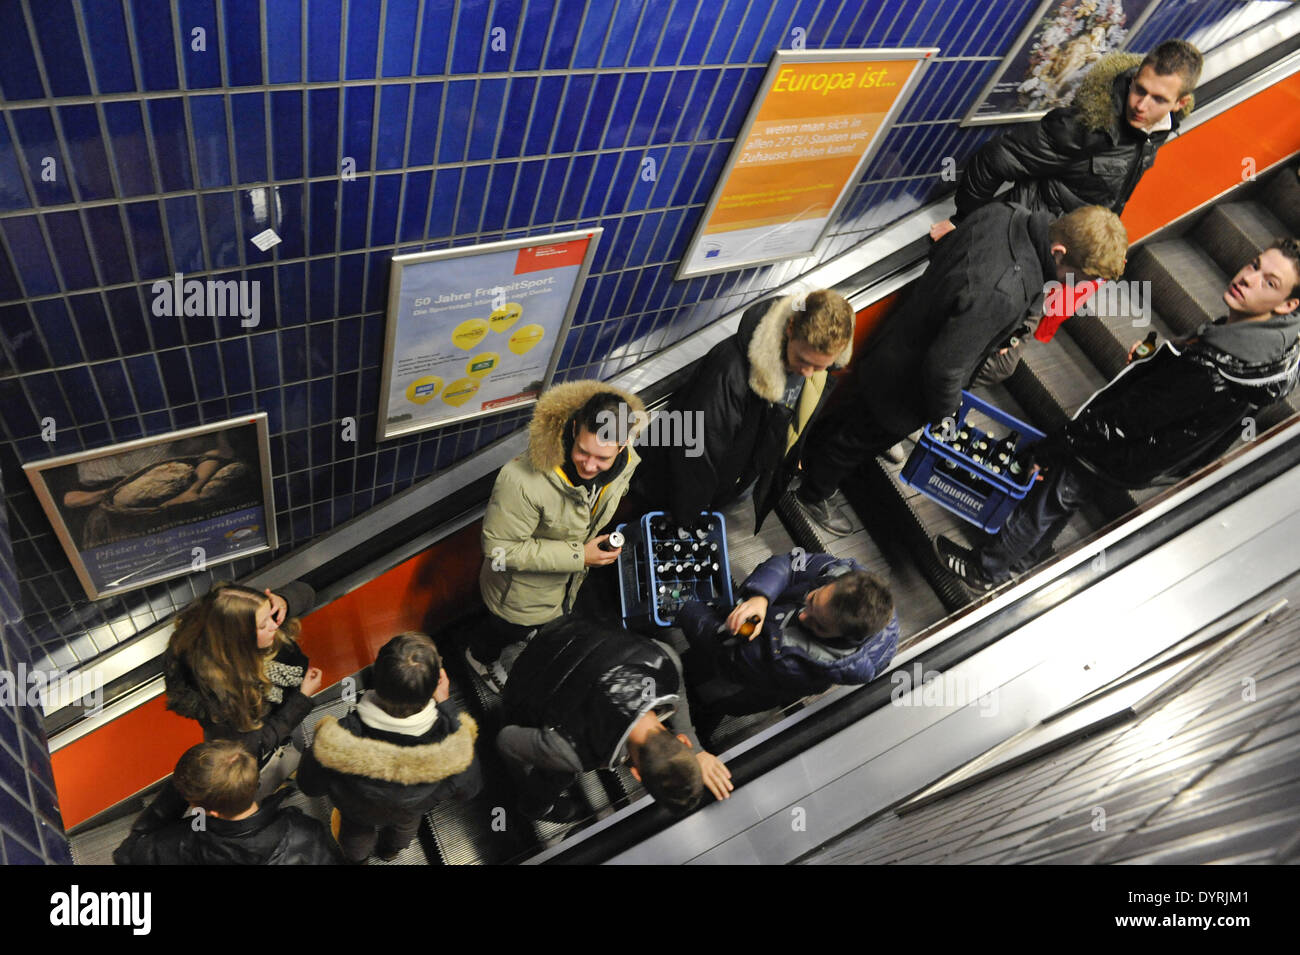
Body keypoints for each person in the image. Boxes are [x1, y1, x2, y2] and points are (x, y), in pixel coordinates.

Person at [937, 239, 1300, 590]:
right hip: (1142, 450)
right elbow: (1180, 385)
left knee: (1051, 495)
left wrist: (1058, 444)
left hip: (1121, 446)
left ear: (1287, 305)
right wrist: (1158, 361)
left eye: (1270, 282)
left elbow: (1126, 421)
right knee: (1067, 496)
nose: (1248, 278)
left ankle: (984, 571)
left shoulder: (1216, 370)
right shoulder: (1265, 345)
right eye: (1254, 265)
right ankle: (1022, 560)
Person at [793, 203, 1128, 535]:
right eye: (1080, 277)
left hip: (898, 340)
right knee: (857, 438)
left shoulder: (1004, 213)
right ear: (1058, 251)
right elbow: (943, 369)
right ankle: (813, 492)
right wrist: (947, 413)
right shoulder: (1005, 292)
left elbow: (949, 263)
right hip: (905, 384)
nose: (1077, 287)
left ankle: (812, 456)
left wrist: (986, 330)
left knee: (855, 420)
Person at [930, 40, 1202, 241]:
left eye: (1158, 99)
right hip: (1019, 237)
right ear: (1134, 76)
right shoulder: (1086, 127)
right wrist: (964, 221)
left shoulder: (1160, 129)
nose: (1141, 105)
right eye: (1139, 89)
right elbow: (994, 158)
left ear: (1181, 103)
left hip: (1062, 248)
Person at [470, 382, 645, 692]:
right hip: (516, 595)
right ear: (574, 427)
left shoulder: (626, 462)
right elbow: (498, 551)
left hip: (562, 586)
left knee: (535, 624)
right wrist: (581, 556)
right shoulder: (522, 479)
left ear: (621, 446)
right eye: (582, 451)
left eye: (602, 458)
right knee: (502, 629)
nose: (590, 466)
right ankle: (479, 658)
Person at [636, 290, 854, 531]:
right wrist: (689, 517)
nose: (807, 372)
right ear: (790, 328)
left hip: (740, 474)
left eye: (819, 366)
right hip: (687, 487)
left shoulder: (815, 367)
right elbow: (697, 456)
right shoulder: (729, 371)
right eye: (802, 360)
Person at [496, 618, 733, 822]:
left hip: (564, 628)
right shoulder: (574, 751)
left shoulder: (665, 660)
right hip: (524, 674)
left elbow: (676, 691)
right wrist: (548, 755)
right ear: (637, 775)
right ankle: (536, 808)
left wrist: (698, 750)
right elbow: (506, 739)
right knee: (559, 772)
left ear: (684, 741)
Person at [297, 632, 482, 864]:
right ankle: (390, 852)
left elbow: (309, 785)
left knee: (355, 836)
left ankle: (358, 860)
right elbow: (470, 789)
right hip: (410, 810)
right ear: (437, 684)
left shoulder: (335, 739)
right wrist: (447, 707)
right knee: (404, 829)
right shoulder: (453, 744)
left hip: (357, 812)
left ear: (376, 675)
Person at [676, 552, 898, 725]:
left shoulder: (789, 660)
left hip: (739, 681)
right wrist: (761, 597)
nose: (803, 615)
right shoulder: (858, 588)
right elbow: (792, 564)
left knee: (701, 692)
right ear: (832, 583)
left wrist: (681, 602)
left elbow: (719, 645)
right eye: (812, 599)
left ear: (845, 638)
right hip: (763, 638)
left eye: (818, 625)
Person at [163, 581, 322, 796]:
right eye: (264, 625)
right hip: (268, 725)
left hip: (283, 703)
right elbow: (253, 745)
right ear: (238, 641)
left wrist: (283, 602)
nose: (275, 626)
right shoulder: (219, 698)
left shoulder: (243, 615)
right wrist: (302, 699)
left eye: (270, 616)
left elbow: (307, 592)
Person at [113, 740, 342, 865]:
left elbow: (126, 854)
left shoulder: (185, 843)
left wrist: (175, 794)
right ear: (255, 783)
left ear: (206, 810)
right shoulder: (305, 830)